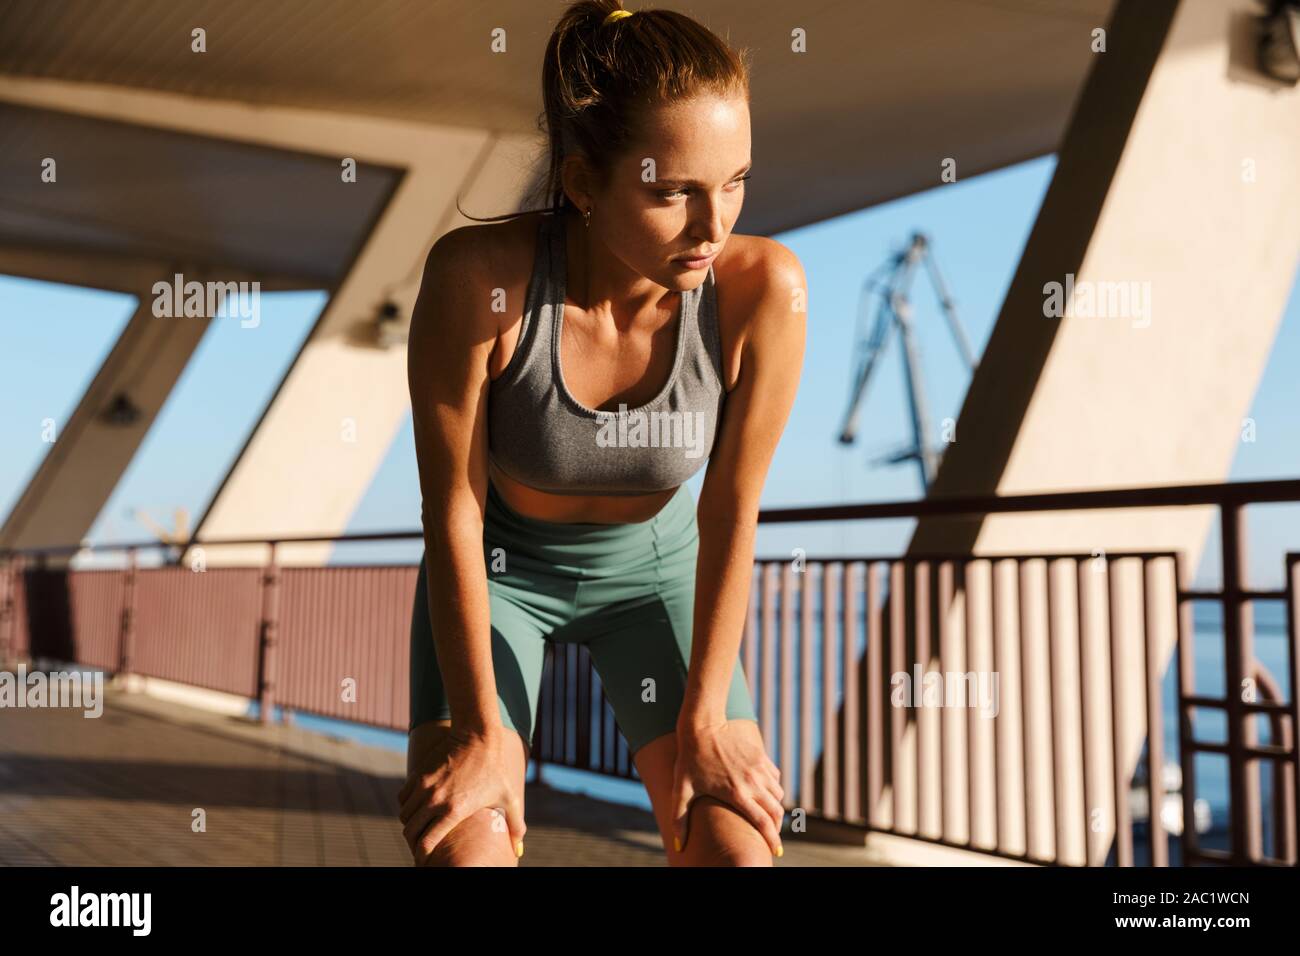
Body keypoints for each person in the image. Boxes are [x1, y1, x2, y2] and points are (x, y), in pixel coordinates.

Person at [397, 0, 806, 866]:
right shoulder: (479, 280)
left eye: (735, 182)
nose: (714, 225)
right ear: (583, 185)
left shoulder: (763, 289)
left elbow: (731, 511)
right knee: (465, 845)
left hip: (656, 577)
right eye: (674, 193)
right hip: (501, 574)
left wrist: (706, 723)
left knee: (738, 851)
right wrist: (479, 734)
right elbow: (454, 515)